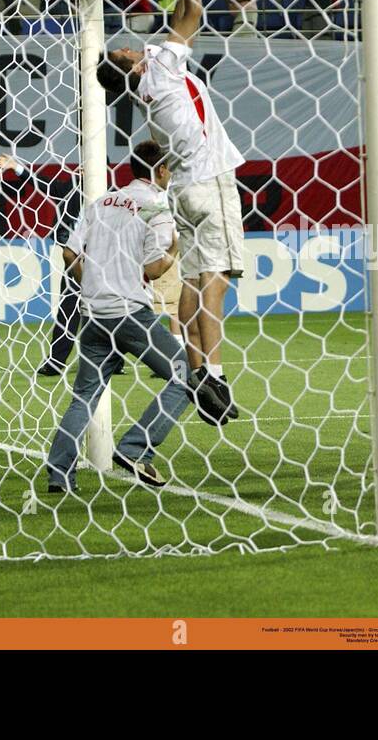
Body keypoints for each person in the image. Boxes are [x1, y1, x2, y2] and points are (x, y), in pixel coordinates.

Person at [98, 0, 247, 424]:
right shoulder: (159, 65)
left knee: (191, 281)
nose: (129, 45)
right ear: (131, 64)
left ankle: (196, 368)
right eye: (124, 50)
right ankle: (217, 375)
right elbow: (193, 15)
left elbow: (180, 20)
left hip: (180, 188)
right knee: (216, 280)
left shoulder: (148, 88)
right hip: (211, 179)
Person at [44, 141, 228, 493]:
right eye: (170, 168)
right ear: (160, 170)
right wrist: (175, 249)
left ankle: (60, 474)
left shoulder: (99, 203)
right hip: (130, 315)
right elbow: (154, 268)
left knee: (84, 396)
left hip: (94, 316)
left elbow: (69, 252)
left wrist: (95, 284)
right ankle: (134, 447)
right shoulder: (156, 208)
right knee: (186, 375)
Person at [0, 154, 123, 378]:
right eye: (81, 165)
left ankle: (114, 360)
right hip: (76, 259)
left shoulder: (114, 196)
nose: (81, 169)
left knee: (109, 310)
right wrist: (16, 167)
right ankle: (56, 362)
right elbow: (43, 184)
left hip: (104, 260)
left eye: (87, 165)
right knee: (68, 309)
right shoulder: (70, 187)